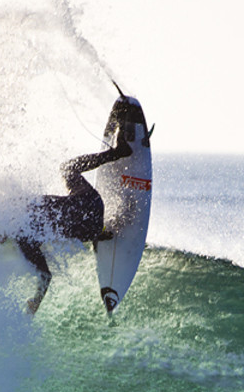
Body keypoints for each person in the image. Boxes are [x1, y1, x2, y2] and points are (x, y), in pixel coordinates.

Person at [14, 95, 147, 313]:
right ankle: (118, 152)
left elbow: (46, 275)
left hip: (89, 229)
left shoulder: (23, 239)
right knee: (67, 169)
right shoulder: (21, 203)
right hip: (91, 203)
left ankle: (104, 232)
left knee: (71, 227)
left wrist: (36, 302)